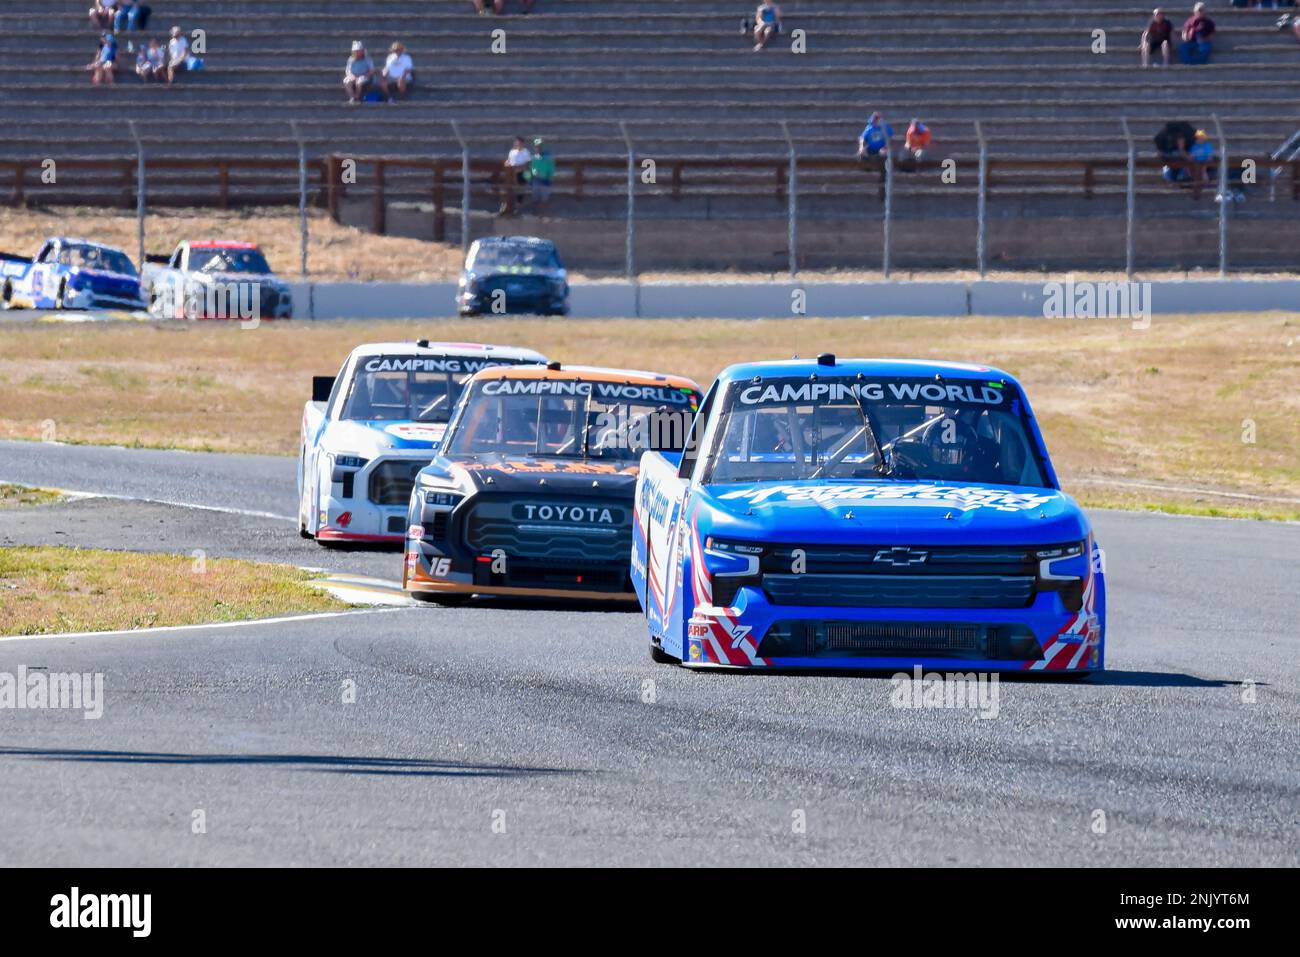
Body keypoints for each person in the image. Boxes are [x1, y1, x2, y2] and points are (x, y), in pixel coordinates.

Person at [500, 137, 532, 215]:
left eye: (520, 142)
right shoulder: (512, 152)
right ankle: (507, 206)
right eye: (517, 142)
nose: (518, 144)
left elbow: (528, 163)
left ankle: (517, 207)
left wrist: (519, 168)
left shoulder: (526, 152)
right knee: (508, 188)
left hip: (522, 173)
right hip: (511, 172)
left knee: (520, 189)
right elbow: (509, 160)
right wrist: (507, 164)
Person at [528, 138, 555, 212]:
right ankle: (536, 212)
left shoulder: (548, 157)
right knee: (535, 197)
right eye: (536, 146)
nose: (538, 148)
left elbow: (551, 169)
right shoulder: (533, 157)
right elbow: (532, 168)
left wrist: (548, 177)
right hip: (536, 180)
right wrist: (534, 175)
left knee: (544, 198)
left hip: (546, 180)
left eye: (540, 146)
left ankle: (543, 212)